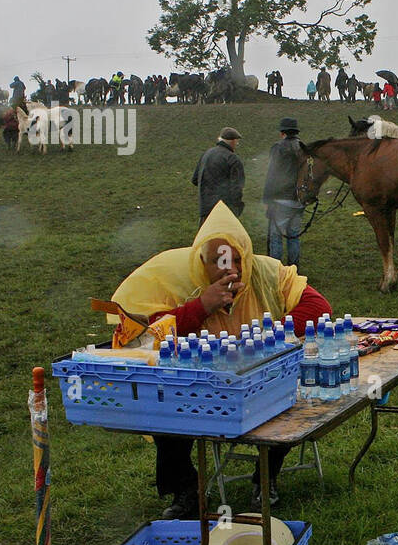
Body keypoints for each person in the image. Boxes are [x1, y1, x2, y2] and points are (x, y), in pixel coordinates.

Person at [109, 202, 333, 516]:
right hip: (198, 382)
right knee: (165, 411)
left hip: (259, 377)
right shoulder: (176, 278)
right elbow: (147, 335)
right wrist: (201, 306)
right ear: (201, 260)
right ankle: (186, 490)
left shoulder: (266, 272)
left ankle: (265, 480)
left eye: (237, 259)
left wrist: (265, 335)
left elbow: (318, 308)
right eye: (218, 261)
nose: (230, 270)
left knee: (286, 395)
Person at [263, 117, 309, 265]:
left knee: (276, 236)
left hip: (280, 199)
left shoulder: (278, 147)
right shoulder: (302, 147)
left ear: (282, 133)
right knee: (294, 236)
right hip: (299, 199)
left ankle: (276, 270)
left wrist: (266, 199)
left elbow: (272, 174)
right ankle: (293, 269)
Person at [193, 127, 246, 223]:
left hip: (205, 209)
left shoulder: (206, 154)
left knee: (206, 237)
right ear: (233, 141)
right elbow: (237, 187)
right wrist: (236, 209)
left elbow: (195, 180)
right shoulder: (233, 159)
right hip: (224, 211)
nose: (237, 144)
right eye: (237, 141)